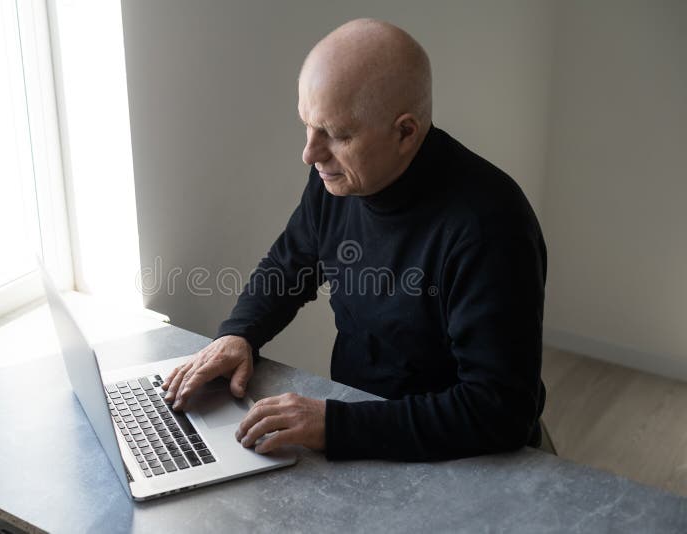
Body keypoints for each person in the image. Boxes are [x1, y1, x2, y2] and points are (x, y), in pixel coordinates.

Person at [162, 18, 547, 461]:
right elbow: (291, 263)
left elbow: (498, 411)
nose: (311, 153)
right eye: (307, 125)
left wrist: (335, 424)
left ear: (406, 132)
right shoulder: (340, 179)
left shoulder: (490, 226)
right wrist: (238, 335)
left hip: (469, 456)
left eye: (338, 134)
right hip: (367, 424)